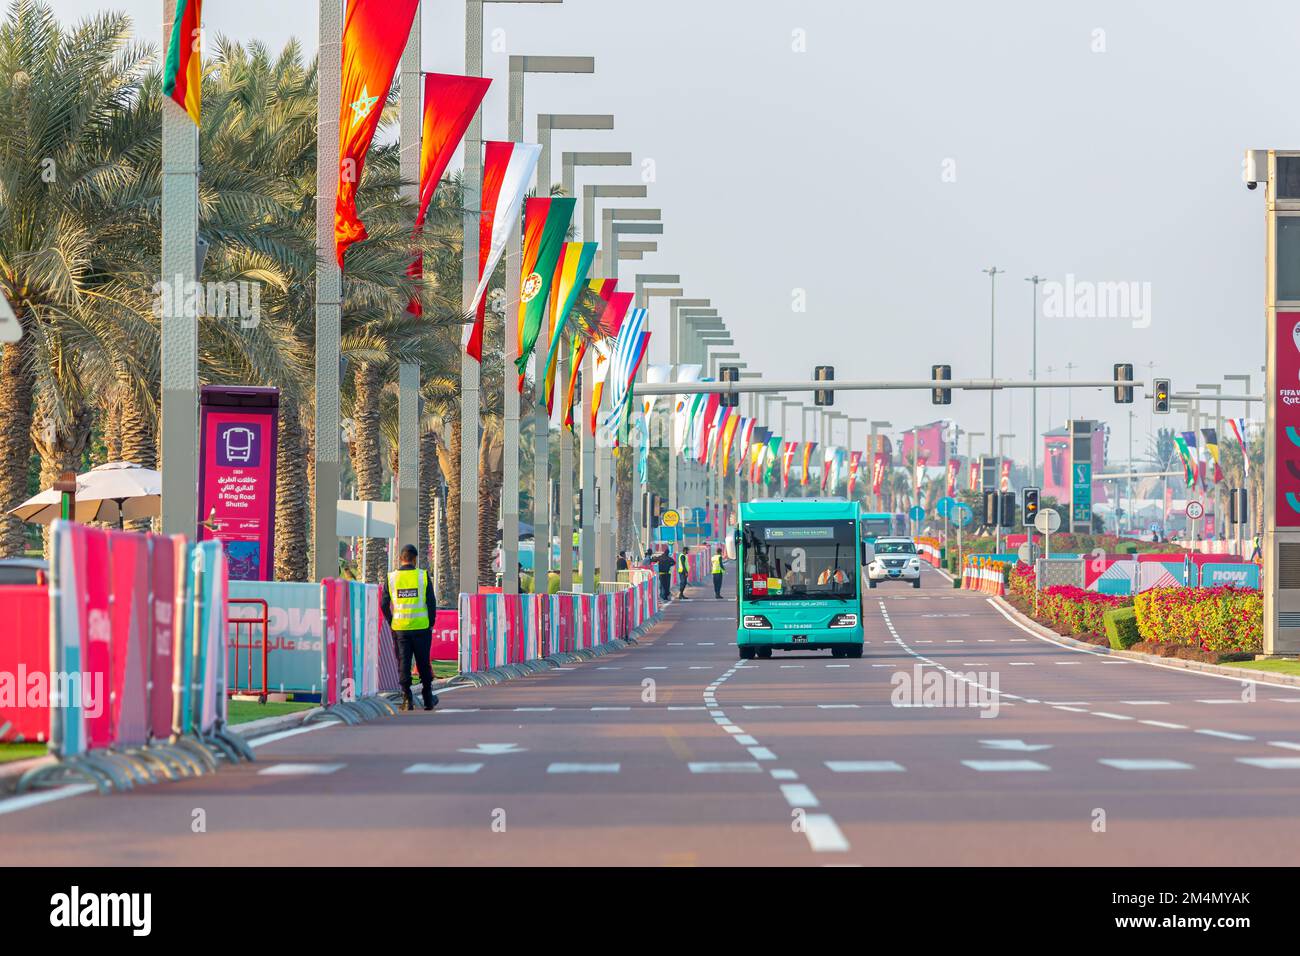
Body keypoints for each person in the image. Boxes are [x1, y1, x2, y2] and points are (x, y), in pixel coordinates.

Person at [381, 545, 439, 712]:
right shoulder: (422, 576)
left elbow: (384, 604)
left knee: (404, 663)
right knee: (423, 663)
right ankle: (428, 698)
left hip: (400, 629)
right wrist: (431, 623)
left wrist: (392, 621)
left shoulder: (391, 578)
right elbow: (431, 602)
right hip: (422, 628)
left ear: (401, 558)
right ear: (415, 559)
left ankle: (407, 699)